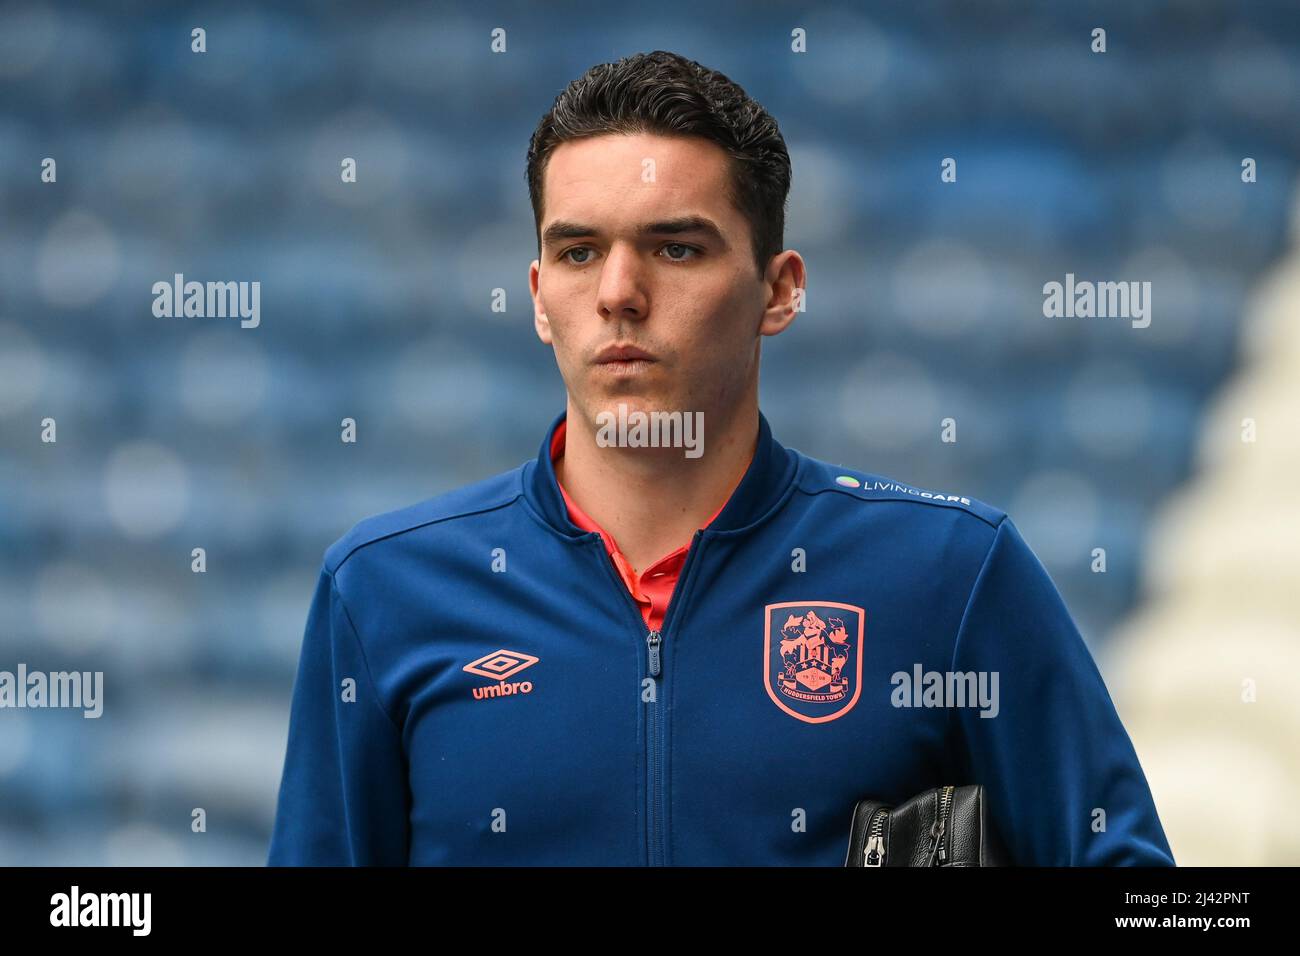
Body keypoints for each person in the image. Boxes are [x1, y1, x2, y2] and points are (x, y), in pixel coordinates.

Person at [267, 50, 1175, 866]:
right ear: (542, 297)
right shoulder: (382, 590)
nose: (619, 294)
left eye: (676, 247)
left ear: (778, 291)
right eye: (578, 252)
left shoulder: (952, 573)